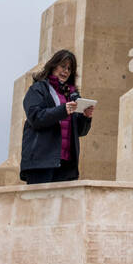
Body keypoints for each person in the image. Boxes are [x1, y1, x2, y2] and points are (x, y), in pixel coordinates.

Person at [19, 49, 95, 185]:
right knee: (40, 199)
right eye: (63, 66)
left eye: (69, 69)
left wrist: (85, 117)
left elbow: (80, 132)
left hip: (66, 165)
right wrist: (62, 110)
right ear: (53, 65)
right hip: (41, 163)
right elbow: (35, 118)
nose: (66, 71)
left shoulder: (72, 95)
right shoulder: (38, 89)